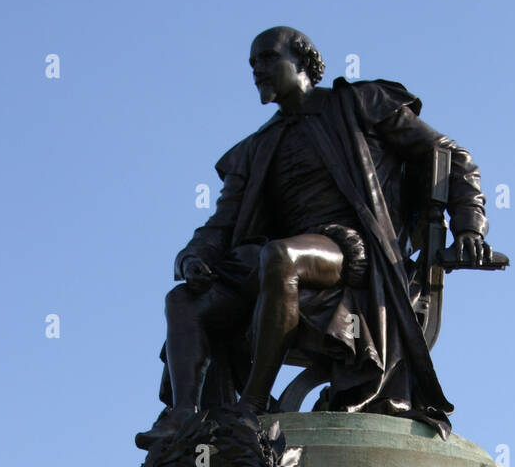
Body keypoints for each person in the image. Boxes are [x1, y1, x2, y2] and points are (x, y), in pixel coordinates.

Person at [144, 25, 490, 445]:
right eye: (252, 63)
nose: (258, 70)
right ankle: (183, 415)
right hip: (272, 260)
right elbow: (221, 223)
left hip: (352, 251)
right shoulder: (256, 147)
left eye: (269, 58)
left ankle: (250, 407)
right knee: (183, 300)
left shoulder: (360, 103)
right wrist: (192, 256)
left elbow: (452, 157)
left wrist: (470, 225)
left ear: (304, 60)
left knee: (280, 256)